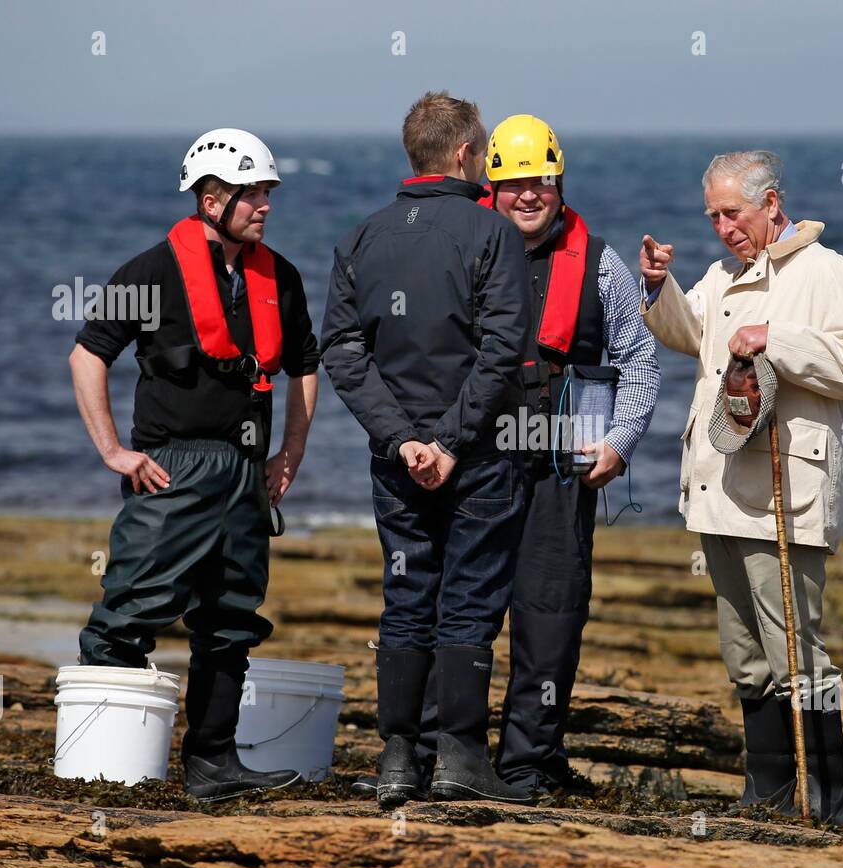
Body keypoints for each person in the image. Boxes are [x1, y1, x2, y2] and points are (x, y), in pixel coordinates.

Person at [70, 128, 319, 803]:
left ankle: (212, 764)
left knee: (232, 618)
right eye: (253, 193)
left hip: (246, 471)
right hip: (171, 470)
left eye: (269, 191)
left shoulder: (282, 278)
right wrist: (114, 453)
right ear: (211, 199)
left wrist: (290, 452)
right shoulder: (152, 271)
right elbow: (88, 355)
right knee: (128, 610)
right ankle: (101, 767)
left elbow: (303, 366)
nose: (266, 204)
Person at [638, 150, 843, 825]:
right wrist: (658, 287)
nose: (723, 227)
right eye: (713, 215)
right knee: (745, 656)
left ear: (772, 203)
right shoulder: (721, 276)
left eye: (733, 213)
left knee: (795, 651)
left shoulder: (827, 273)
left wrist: (776, 337)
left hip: (786, 496)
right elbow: (693, 335)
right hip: (720, 490)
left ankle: (826, 806)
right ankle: (765, 795)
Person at [320, 92, 532, 807]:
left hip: (398, 456)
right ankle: (462, 758)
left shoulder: (361, 238)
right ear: (468, 154)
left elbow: (343, 354)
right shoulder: (492, 232)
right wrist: (445, 440)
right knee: (470, 598)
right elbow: (503, 350)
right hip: (475, 453)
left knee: (408, 598)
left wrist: (403, 438)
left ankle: (398, 757)